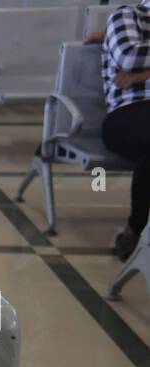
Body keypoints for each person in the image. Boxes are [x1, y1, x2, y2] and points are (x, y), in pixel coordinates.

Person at [90, 1, 150, 261]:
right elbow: (129, 57)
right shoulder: (128, 15)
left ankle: (138, 229)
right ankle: (136, 229)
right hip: (129, 112)